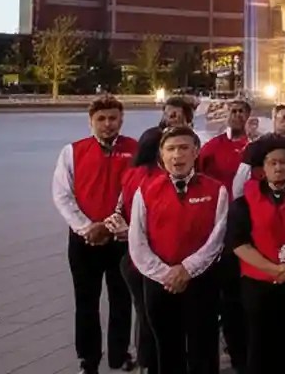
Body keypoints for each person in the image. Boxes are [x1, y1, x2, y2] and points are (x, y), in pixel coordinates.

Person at [128, 126, 229, 374]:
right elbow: (137, 239)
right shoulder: (146, 190)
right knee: (166, 346)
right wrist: (165, 274)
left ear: (196, 152)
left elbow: (217, 238)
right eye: (170, 149)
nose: (177, 155)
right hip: (159, 282)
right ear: (161, 155)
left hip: (201, 281)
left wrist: (187, 269)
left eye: (184, 148)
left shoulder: (216, 190)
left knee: (202, 347)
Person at [51, 94, 137, 374]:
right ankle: (88, 359)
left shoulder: (135, 151)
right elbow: (62, 195)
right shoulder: (72, 151)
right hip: (84, 239)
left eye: (113, 118)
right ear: (91, 121)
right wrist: (85, 227)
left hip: (121, 238)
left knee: (121, 299)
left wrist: (113, 226)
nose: (108, 124)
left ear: (121, 120)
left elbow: (138, 193)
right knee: (85, 301)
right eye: (101, 119)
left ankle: (119, 354)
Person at [227, 136, 285, 374]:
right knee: (259, 341)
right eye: (272, 163)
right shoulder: (244, 202)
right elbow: (238, 243)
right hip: (257, 283)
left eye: (283, 162)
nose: (278, 168)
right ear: (262, 169)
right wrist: (273, 270)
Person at [198, 99, 252, 372]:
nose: (237, 115)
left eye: (242, 111)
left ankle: (240, 348)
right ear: (226, 115)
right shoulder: (212, 147)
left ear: (248, 117)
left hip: (244, 226)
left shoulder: (254, 147)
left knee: (238, 293)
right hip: (214, 224)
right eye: (234, 111)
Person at [110, 127, 164, 374]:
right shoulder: (157, 179)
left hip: (131, 256)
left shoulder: (131, 174)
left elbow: (121, 206)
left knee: (143, 314)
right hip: (154, 255)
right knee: (156, 318)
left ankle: (145, 362)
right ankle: (153, 363)